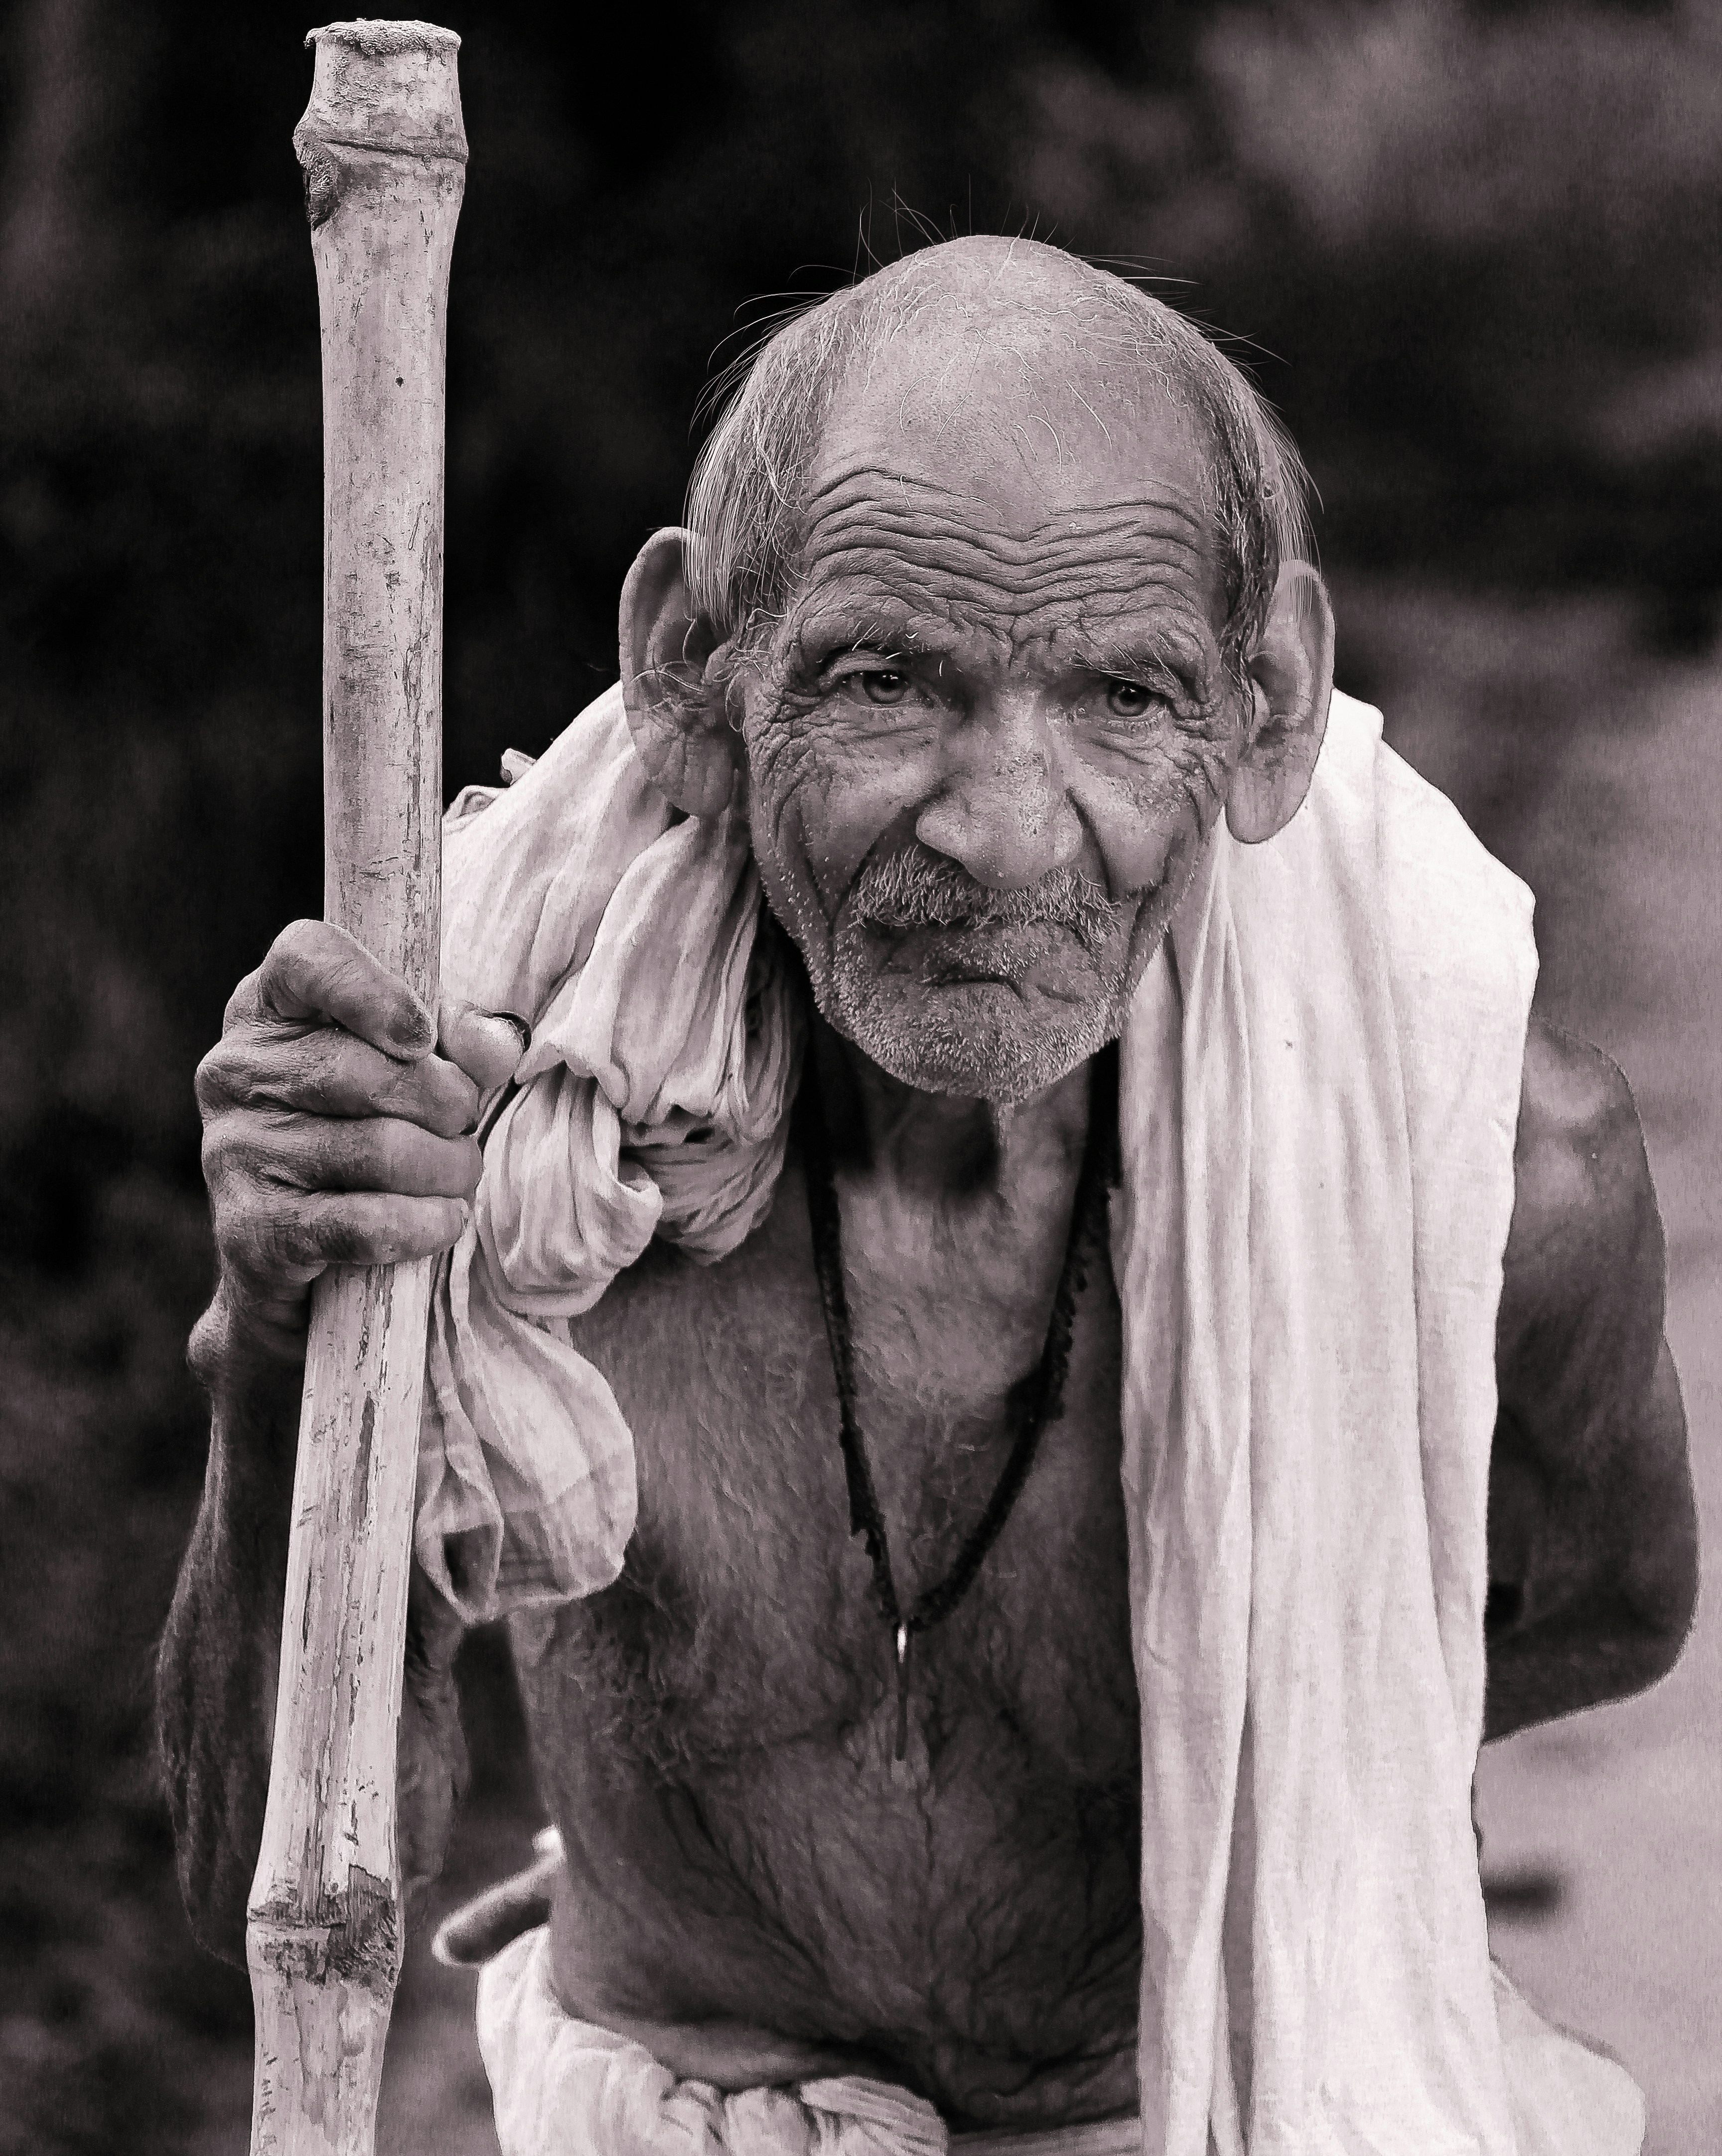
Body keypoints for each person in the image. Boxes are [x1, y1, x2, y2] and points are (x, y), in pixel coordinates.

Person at [158, 239, 1697, 2156]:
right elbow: (274, 1878)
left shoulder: (1497, 1187)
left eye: (1126, 694)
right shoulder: (491, 1136)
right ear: (691, 673)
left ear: (1274, 707)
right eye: (887, 681)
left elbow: (1622, 1610)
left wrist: (1290, 1736)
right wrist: (279, 1344)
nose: (1002, 826)